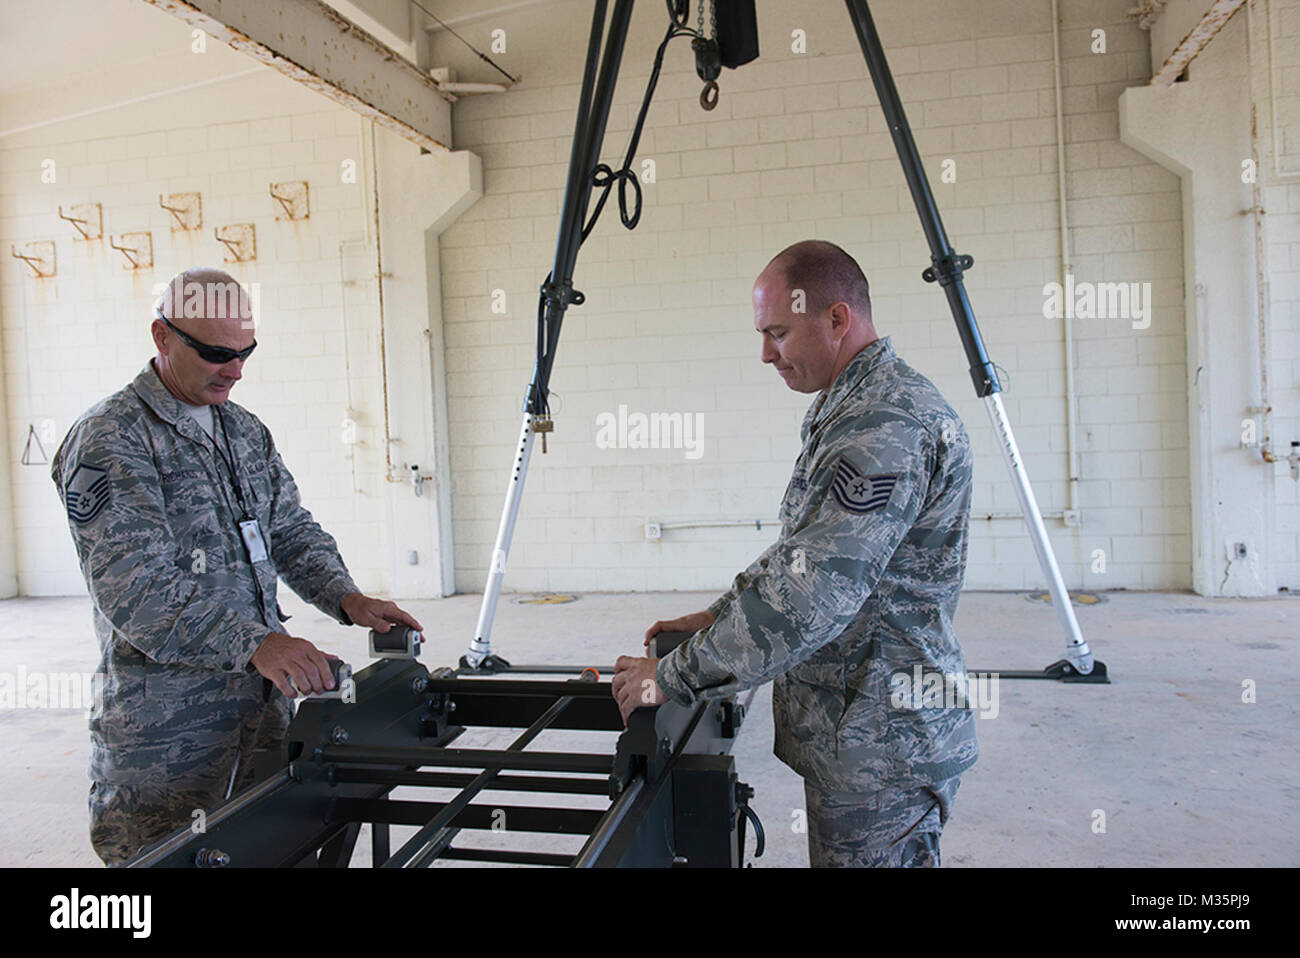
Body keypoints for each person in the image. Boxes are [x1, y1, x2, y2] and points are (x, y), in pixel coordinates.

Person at [611, 240, 978, 867]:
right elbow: (802, 554)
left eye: (777, 332)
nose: (765, 354)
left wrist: (671, 678)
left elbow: (812, 596)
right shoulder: (853, 406)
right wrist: (719, 616)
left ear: (836, 318)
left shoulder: (883, 423)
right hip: (865, 727)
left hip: (882, 738)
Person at [51, 267, 423, 865]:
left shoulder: (241, 430)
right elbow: (137, 592)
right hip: (167, 736)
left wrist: (347, 599)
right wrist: (259, 642)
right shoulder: (110, 439)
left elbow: (287, 530)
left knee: (273, 847)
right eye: (217, 353)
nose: (236, 370)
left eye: (246, 352)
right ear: (162, 336)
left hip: (259, 712)